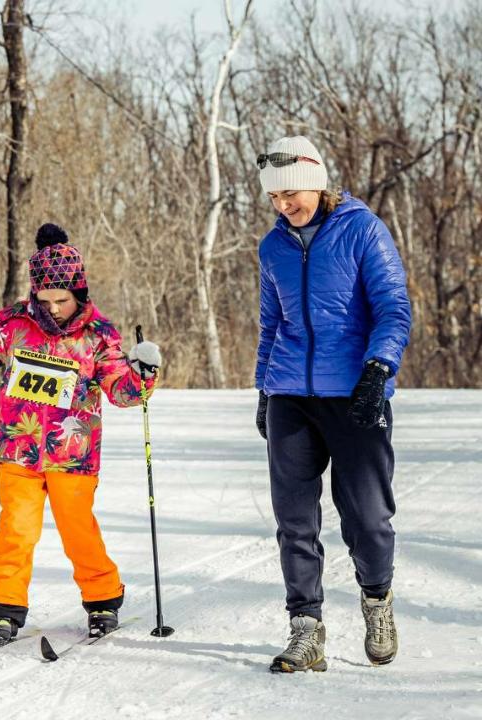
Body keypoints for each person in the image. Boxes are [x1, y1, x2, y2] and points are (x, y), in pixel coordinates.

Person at [0, 223, 161, 647]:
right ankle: (3, 610)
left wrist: (142, 376)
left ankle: (102, 598)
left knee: (78, 528)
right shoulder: (14, 323)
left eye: (62, 300)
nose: (54, 308)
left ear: (79, 292)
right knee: (16, 530)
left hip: (73, 454)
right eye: (45, 300)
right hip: (16, 449)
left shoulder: (99, 335)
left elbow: (120, 389)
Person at [254, 136, 411, 672]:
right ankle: (306, 628)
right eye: (275, 198)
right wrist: (263, 387)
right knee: (294, 520)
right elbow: (270, 324)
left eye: (291, 193)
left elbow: (393, 307)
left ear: (317, 182)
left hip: (355, 393)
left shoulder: (362, 230)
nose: (284, 205)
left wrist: (379, 369)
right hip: (290, 397)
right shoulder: (272, 246)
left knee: (368, 518)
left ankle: (376, 599)